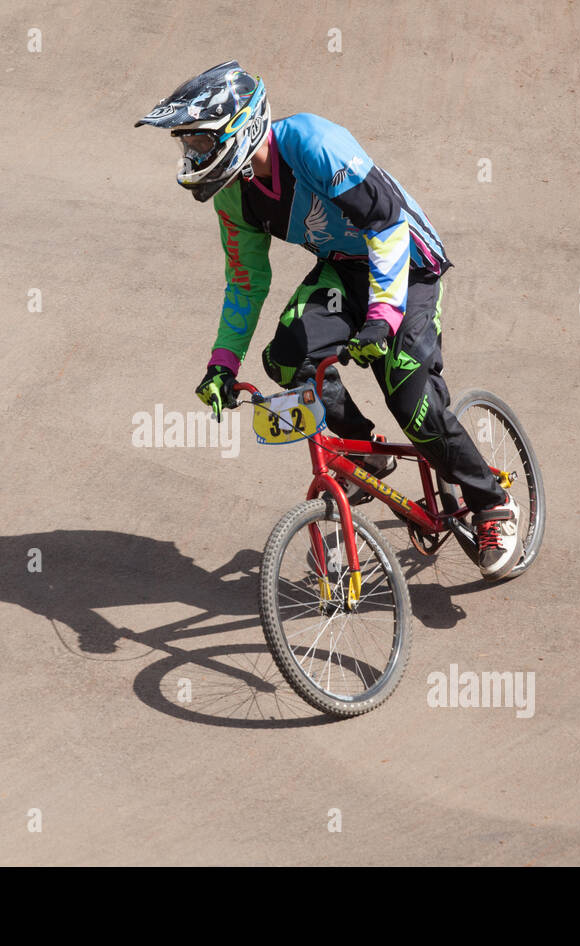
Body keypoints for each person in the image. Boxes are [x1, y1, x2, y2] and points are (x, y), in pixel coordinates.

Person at [135, 61, 521, 579]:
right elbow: (246, 281)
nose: (193, 156)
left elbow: (385, 223)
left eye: (200, 143)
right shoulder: (233, 195)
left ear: (240, 126)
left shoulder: (314, 142)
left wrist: (383, 318)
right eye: (189, 146)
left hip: (407, 265)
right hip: (343, 272)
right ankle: (366, 454)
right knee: (288, 357)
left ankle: (491, 503)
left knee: (411, 399)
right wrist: (222, 364)